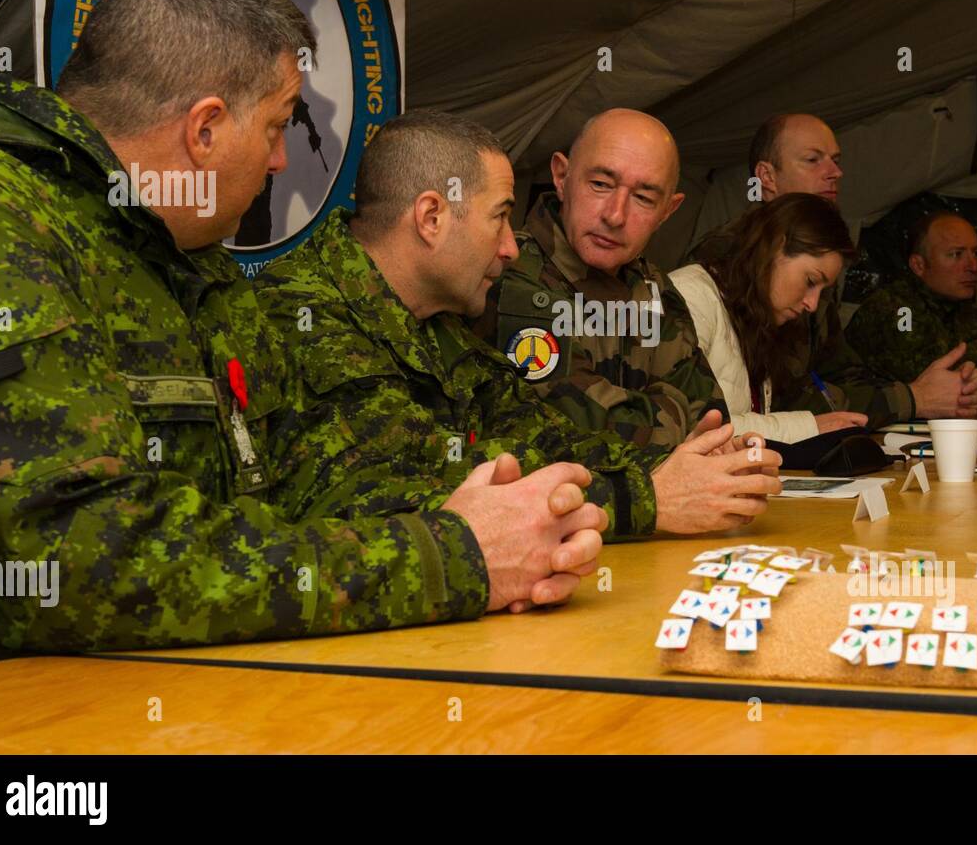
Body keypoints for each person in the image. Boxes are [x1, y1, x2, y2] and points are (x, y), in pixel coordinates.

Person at [0, 0, 601, 670]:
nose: (280, 164)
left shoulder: (188, 258)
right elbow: (87, 561)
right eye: (276, 126)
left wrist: (513, 517)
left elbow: (307, 476)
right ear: (204, 129)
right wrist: (450, 556)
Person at [257, 109, 783, 537]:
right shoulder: (304, 313)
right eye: (500, 216)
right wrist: (648, 496)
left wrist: (679, 471)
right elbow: (402, 495)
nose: (511, 246)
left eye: (644, 196)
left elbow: (534, 436)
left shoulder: (435, 325)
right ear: (431, 218)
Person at [686, 113, 977, 425]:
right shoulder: (729, 259)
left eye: (835, 160)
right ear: (767, 177)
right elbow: (781, 399)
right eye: (813, 160)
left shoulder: (813, 257)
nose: (835, 172)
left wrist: (929, 391)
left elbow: (839, 370)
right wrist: (913, 398)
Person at [474, 108, 728, 447]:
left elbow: (713, 425)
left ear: (669, 210)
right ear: (561, 177)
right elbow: (588, 434)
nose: (615, 215)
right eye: (600, 184)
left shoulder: (653, 287)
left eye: (643, 198)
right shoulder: (509, 273)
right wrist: (670, 408)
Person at [670, 193, 869, 443]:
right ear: (775, 246)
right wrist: (811, 426)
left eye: (822, 291)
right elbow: (697, 426)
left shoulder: (752, 316)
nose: (812, 303)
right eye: (810, 281)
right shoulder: (689, 297)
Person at [847, 210, 977, 399]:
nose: (973, 266)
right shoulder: (895, 309)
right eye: (956, 254)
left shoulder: (969, 313)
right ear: (919, 265)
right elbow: (942, 386)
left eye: (975, 253)